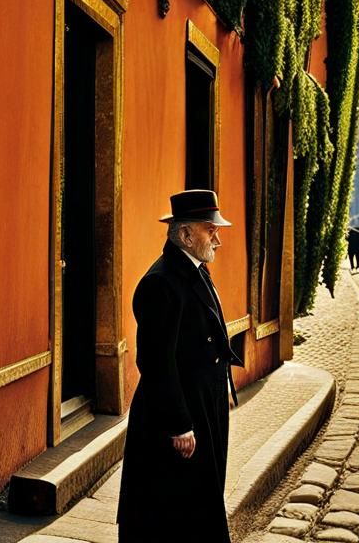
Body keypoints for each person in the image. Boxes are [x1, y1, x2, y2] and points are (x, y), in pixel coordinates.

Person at [118, 190, 243, 543]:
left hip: (205, 402)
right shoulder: (161, 282)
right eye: (210, 230)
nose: (217, 238)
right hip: (181, 409)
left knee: (203, 495)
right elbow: (155, 361)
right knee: (174, 506)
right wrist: (179, 424)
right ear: (186, 235)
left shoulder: (195, 269)